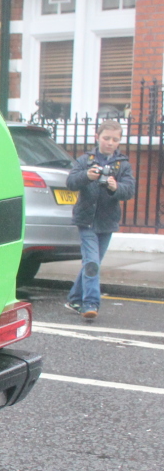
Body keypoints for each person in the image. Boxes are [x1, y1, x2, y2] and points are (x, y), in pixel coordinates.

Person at [65, 119, 135, 321]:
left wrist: (115, 187)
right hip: (86, 220)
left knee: (92, 262)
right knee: (92, 263)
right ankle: (91, 303)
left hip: (107, 221)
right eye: (106, 138)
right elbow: (71, 182)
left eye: (115, 139)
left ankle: (74, 298)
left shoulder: (123, 165)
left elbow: (128, 191)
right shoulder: (85, 160)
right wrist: (87, 176)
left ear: (119, 141)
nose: (110, 142)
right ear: (97, 137)